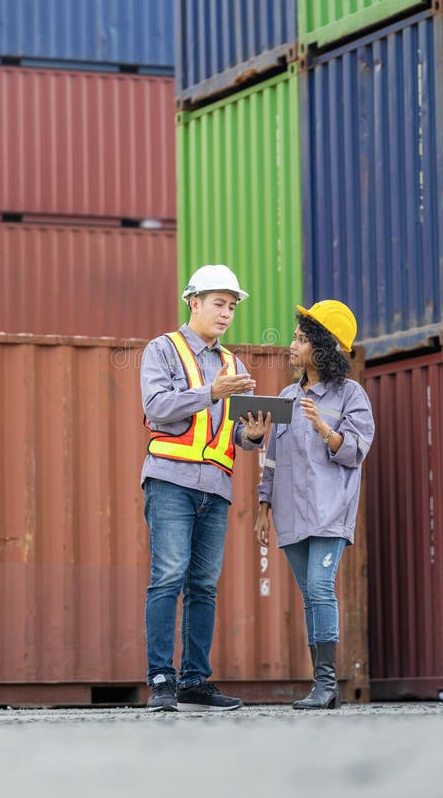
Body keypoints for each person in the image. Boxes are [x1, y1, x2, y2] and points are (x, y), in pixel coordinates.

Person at [141, 264, 270, 712]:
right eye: (219, 304)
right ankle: (161, 679)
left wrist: (252, 436)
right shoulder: (162, 350)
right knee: (167, 578)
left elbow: (230, 435)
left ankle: (195, 681)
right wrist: (211, 392)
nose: (227, 313)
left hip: (215, 488)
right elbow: (157, 409)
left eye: (232, 306)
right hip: (171, 481)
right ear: (193, 302)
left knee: (203, 586)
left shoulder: (233, 364)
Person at [254, 300, 375, 710]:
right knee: (311, 597)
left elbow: (357, 449)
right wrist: (262, 506)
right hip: (290, 514)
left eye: (302, 339)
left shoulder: (350, 395)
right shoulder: (287, 396)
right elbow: (271, 456)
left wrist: (325, 428)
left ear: (322, 347)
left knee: (322, 591)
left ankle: (325, 685)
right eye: (294, 337)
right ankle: (323, 688)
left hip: (329, 512)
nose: (292, 345)